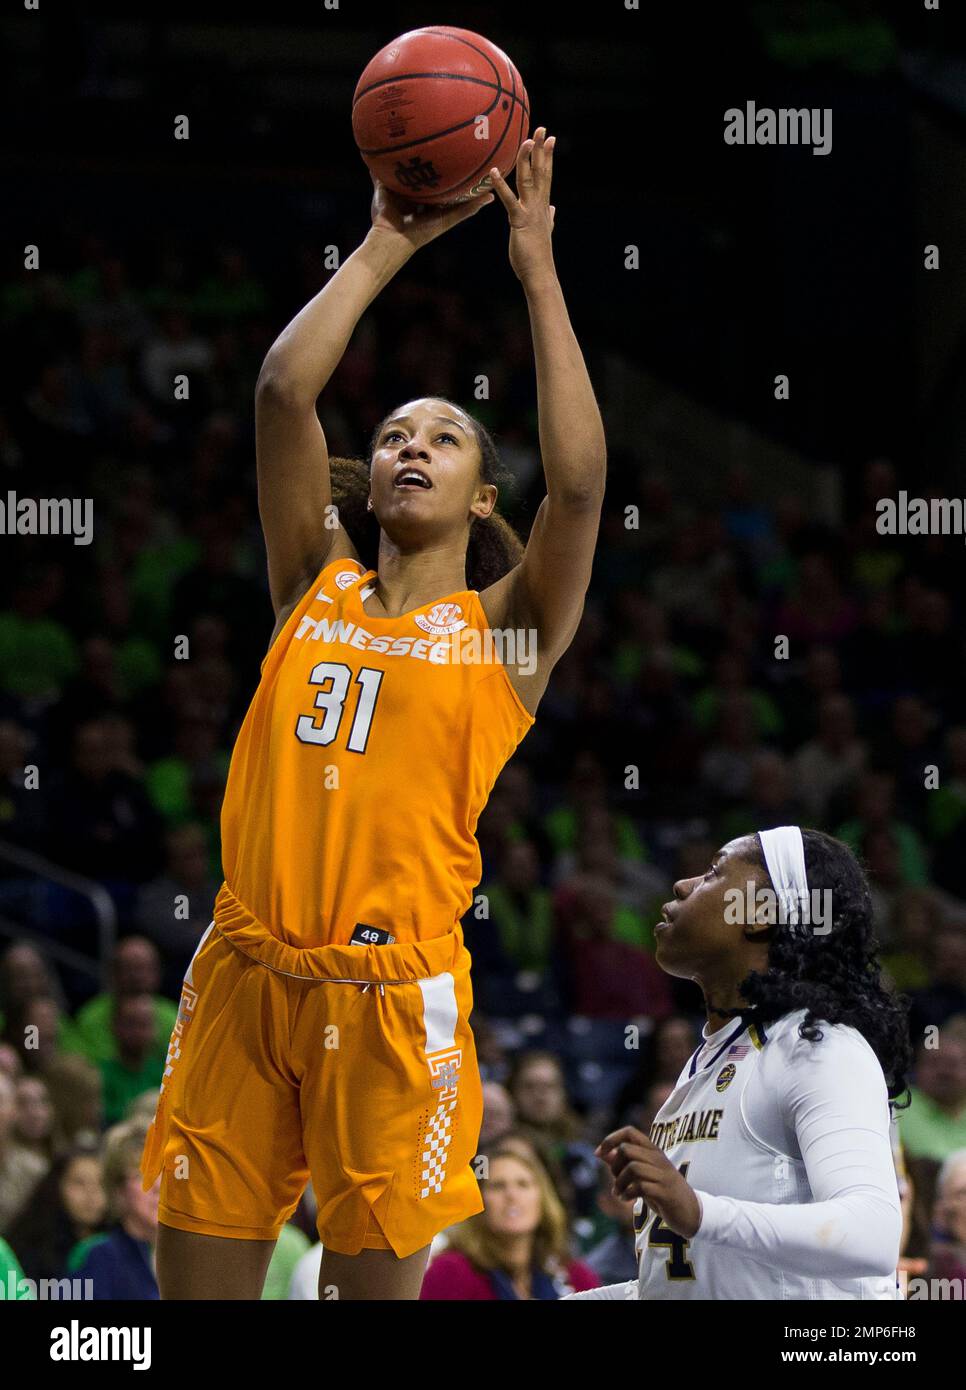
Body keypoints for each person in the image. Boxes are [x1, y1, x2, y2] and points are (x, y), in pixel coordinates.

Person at [140, 127, 606, 1302]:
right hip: (247, 972)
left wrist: (537, 267)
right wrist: (387, 241)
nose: (409, 446)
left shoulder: (506, 635)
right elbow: (283, 390)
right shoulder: (312, 578)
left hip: (395, 1005)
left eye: (442, 436)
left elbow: (586, 485)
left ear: (479, 493)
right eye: (395, 431)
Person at [567, 827, 910, 1300]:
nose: (682, 885)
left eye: (712, 873)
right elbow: (697, 1282)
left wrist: (701, 1212)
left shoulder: (818, 1046)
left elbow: (871, 1235)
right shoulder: (711, 1058)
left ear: (760, 915)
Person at [420, 1145, 599, 1300]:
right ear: (479, 1200)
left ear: (542, 1198)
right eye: (498, 1186)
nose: (512, 1195)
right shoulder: (449, 1272)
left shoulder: (575, 1275)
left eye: (523, 1184)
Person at [74, 1119, 159, 1299]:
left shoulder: (195, 1256)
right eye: (141, 1175)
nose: (158, 1186)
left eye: (164, 1172)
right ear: (118, 1191)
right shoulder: (99, 1258)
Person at [5, 1145, 106, 1282]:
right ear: (57, 1187)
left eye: (101, 1183)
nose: (91, 1194)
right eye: (79, 1183)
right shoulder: (31, 1249)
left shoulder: (121, 1244)